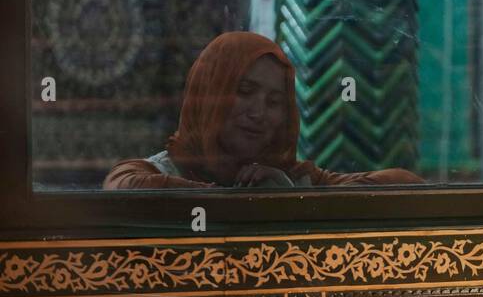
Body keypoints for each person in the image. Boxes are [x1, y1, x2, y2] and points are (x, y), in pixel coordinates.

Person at [103, 32, 423, 189]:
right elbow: (121, 185)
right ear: (209, 94)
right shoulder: (161, 173)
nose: (259, 113)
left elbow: (406, 184)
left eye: (274, 102)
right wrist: (242, 202)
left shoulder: (291, 179)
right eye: (244, 92)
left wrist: (292, 198)